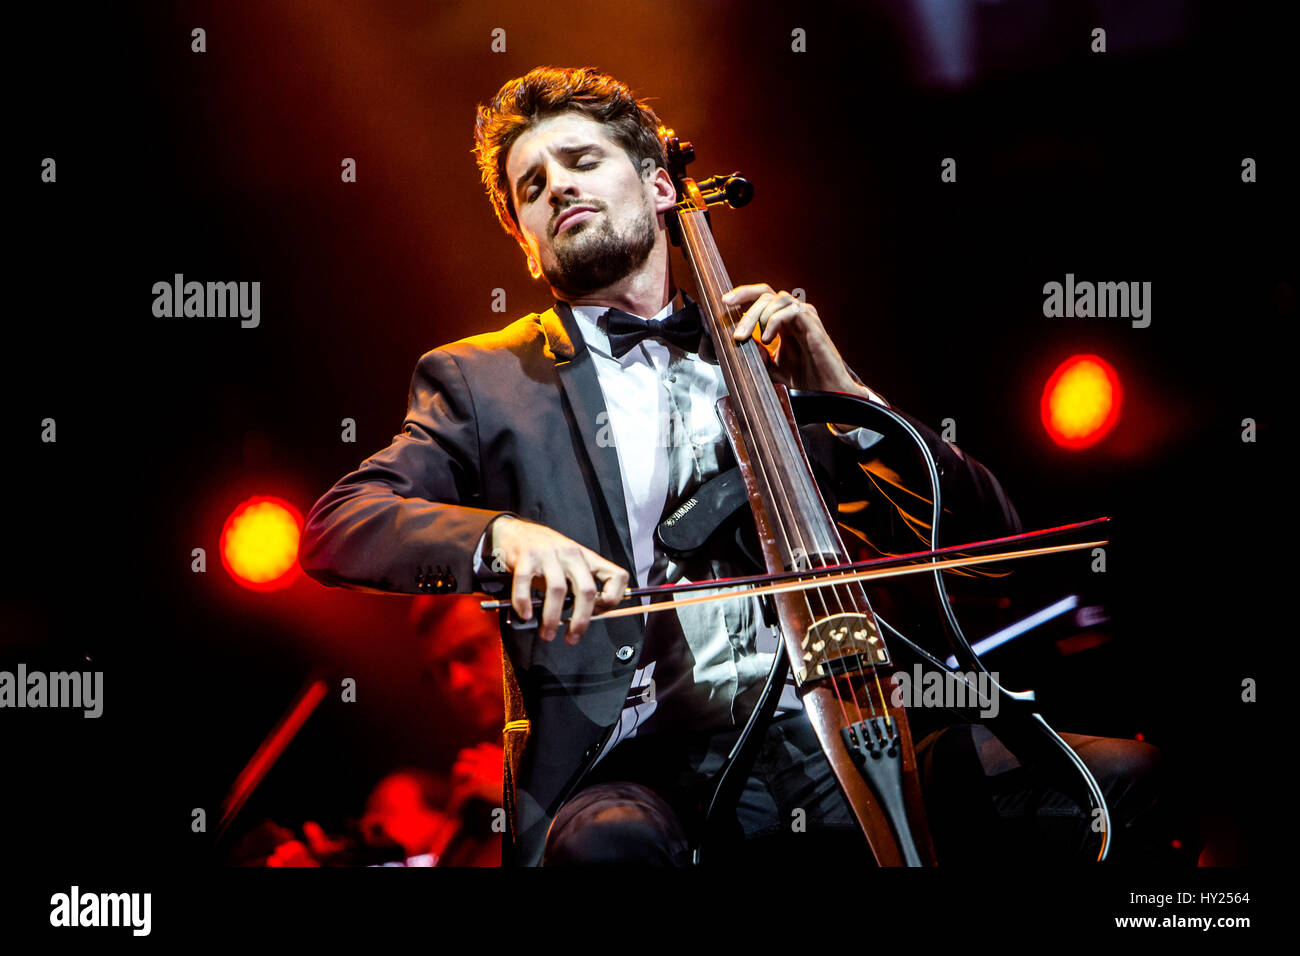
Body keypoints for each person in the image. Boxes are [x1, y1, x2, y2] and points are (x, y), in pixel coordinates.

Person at [300, 66, 1193, 867]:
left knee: (1128, 780)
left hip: (842, 723)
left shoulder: (764, 357)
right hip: (643, 759)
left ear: (659, 188)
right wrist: (503, 539)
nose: (556, 186)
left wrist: (850, 398)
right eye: (531, 186)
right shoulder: (486, 378)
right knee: (607, 848)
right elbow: (343, 522)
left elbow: (992, 548)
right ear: (528, 245)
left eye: (580, 161)